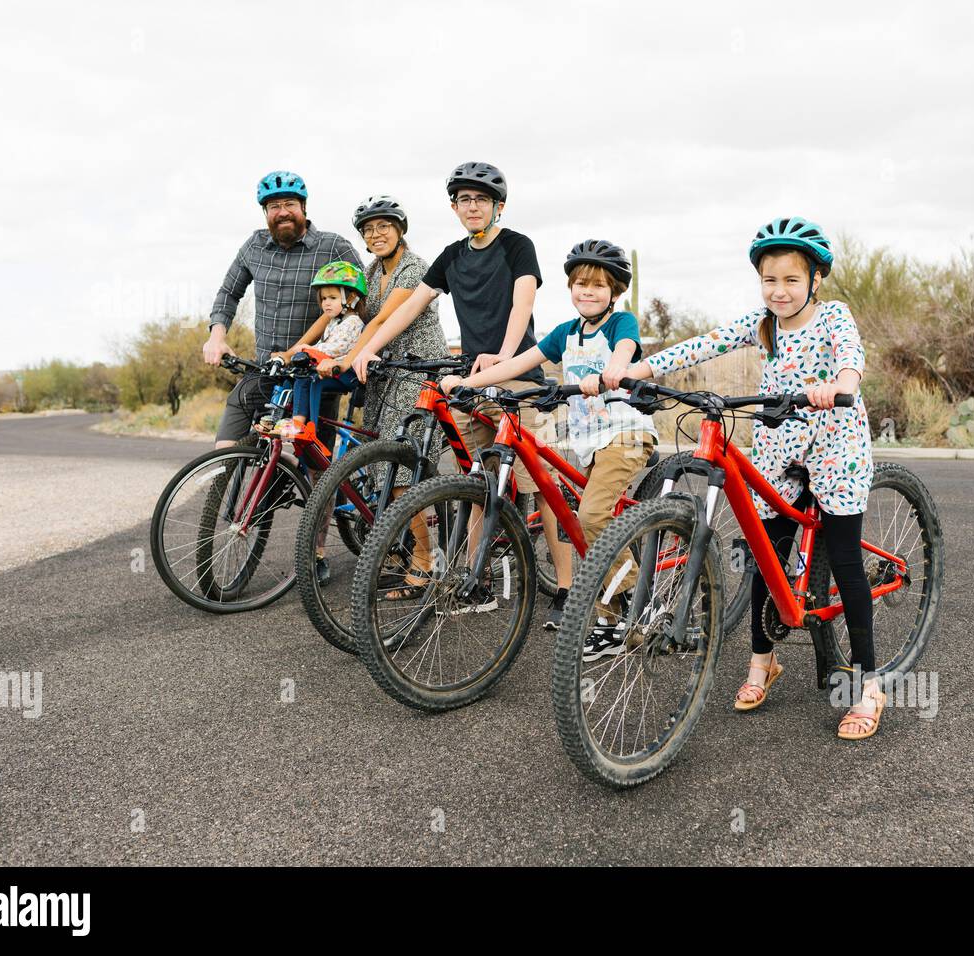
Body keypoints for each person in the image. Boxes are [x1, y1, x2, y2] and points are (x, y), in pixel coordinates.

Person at [617, 217, 883, 739]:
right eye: (769, 280)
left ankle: (869, 685)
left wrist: (840, 383)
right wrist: (638, 372)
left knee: (847, 562)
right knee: (765, 554)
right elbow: (703, 345)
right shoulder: (762, 324)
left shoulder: (833, 316)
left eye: (791, 279)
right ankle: (763, 662)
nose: (779, 291)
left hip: (836, 442)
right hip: (780, 442)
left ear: (815, 280)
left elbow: (851, 357)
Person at [351, 162, 555, 613]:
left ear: (498, 206)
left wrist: (504, 356)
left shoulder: (518, 245)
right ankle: (477, 582)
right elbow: (410, 307)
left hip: (516, 377)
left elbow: (522, 303)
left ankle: (565, 586)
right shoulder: (452, 256)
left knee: (540, 486)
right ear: (454, 208)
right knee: (477, 484)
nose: (473, 206)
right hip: (472, 382)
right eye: (464, 200)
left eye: (481, 199)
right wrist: (370, 348)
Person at [440, 239, 656, 633]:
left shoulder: (620, 323)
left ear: (615, 292)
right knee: (585, 525)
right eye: (580, 284)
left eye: (598, 285)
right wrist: (467, 384)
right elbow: (518, 363)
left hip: (624, 435)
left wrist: (614, 370)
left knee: (590, 517)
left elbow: (625, 348)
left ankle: (632, 601)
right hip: (589, 442)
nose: (587, 291)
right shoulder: (565, 333)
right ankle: (611, 621)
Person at [202, 170, 364, 448]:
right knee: (227, 448)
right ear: (265, 212)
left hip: (314, 374)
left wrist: (353, 356)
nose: (283, 212)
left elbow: (363, 298)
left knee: (315, 462)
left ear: (303, 207)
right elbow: (229, 293)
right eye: (274, 206)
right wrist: (216, 338)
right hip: (267, 368)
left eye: (290, 204)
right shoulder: (254, 246)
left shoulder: (333, 246)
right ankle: (227, 473)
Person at [341, 195, 448, 597]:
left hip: (419, 371)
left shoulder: (415, 268)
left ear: (400, 229)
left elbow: (384, 319)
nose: (376, 234)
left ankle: (426, 558)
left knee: (399, 469)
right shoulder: (369, 272)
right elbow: (354, 317)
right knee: (379, 466)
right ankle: (402, 549)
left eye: (383, 226)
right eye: (368, 229)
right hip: (384, 373)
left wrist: (347, 360)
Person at [261, 261, 367, 441]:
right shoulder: (335, 322)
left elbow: (335, 348)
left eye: (332, 298)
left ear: (350, 299)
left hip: (346, 373)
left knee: (306, 378)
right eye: (324, 299)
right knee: (291, 376)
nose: (326, 303)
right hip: (328, 369)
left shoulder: (353, 322)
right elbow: (323, 346)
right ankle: (277, 416)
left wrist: (307, 349)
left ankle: (300, 425)